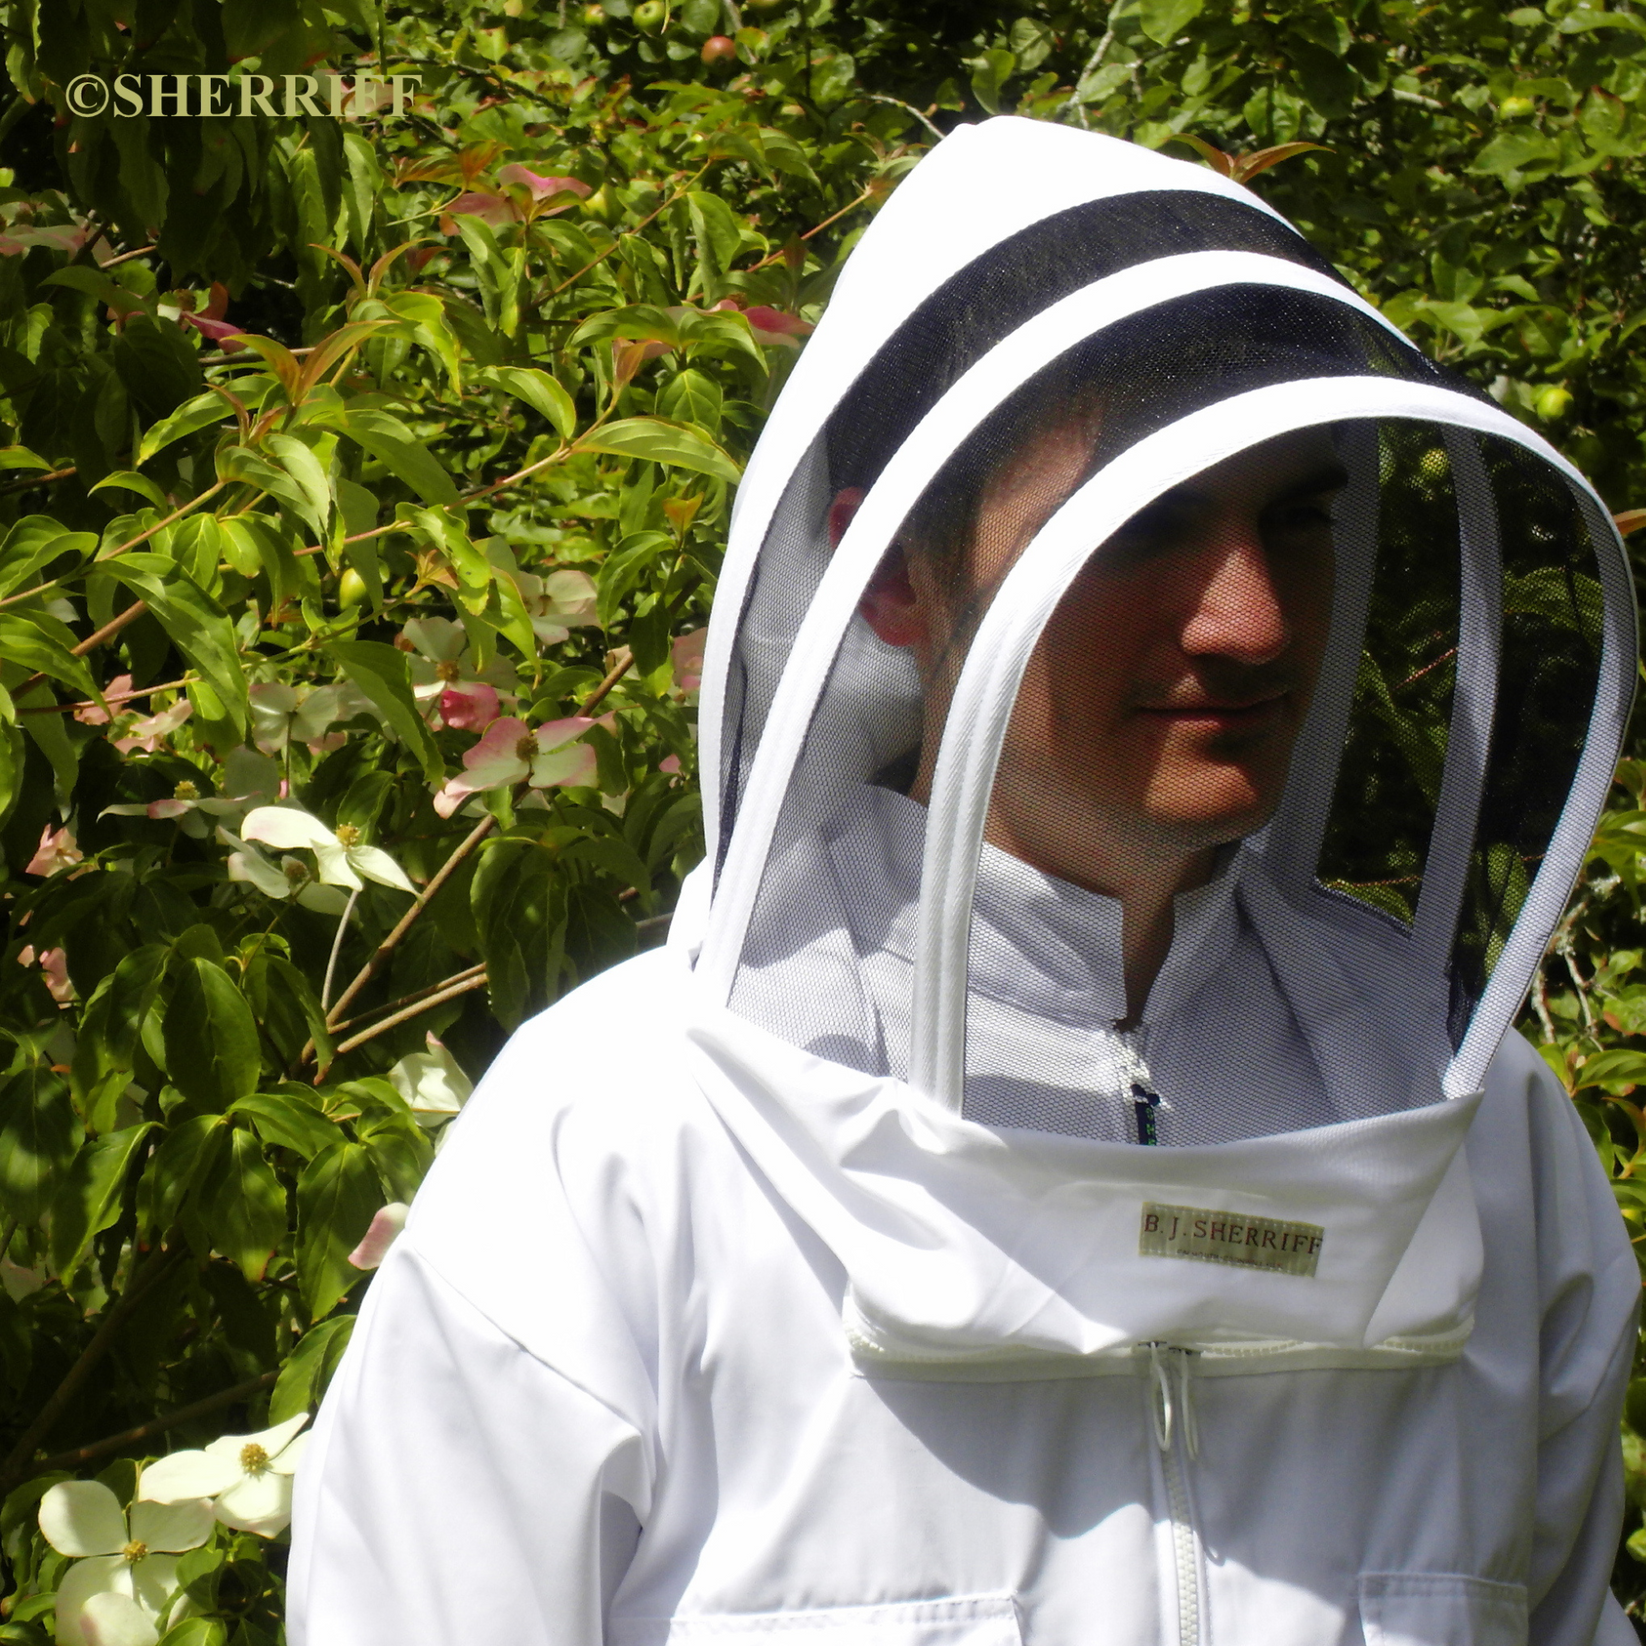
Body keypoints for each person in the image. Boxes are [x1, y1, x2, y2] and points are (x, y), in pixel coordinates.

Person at [289, 118, 1639, 1646]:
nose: (1253, 622)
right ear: (888, 574)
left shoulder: (1476, 1127)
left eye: (1296, 518)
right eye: (1140, 520)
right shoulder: (619, 1147)